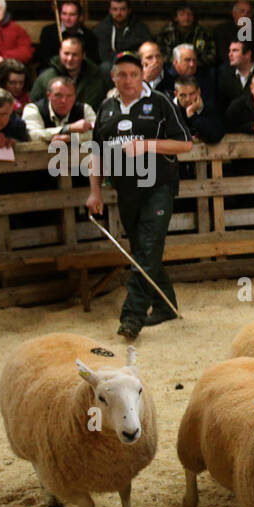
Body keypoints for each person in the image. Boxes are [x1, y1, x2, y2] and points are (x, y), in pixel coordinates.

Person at [87, 51, 193, 340]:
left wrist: (147, 145)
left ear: (142, 75)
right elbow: (96, 153)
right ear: (114, 77)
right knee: (143, 249)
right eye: (122, 74)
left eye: (134, 74)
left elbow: (185, 145)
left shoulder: (160, 102)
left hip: (159, 186)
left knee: (147, 247)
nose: (129, 80)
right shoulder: (106, 108)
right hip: (125, 189)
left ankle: (131, 317)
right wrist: (94, 191)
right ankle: (166, 304)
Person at [31, 37, 106, 109]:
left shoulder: (94, 77)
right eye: (66, 54)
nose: (70, 59)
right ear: (60, 53)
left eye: (75, 55)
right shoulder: (45, 78)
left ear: (83, 55)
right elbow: (33, 105)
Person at [22, 76, 96, 143]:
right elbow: (32, 135)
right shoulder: (33, 109)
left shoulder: (84, 109)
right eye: (58, 95)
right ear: (49, 95)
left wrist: (72, 139)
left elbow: (97, 133)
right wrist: (67, 129)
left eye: (69, 96)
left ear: (75, 96)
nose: (64, 101)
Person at [92, 0, 151, 71]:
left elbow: (147, 49)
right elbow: (103, 55)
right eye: (115, 9)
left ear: (129, 10)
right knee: (105, 67)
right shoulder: (102, 28)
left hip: (134, 62)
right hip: (112, 65)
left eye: (123, 9)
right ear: (110, 11)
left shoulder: (140, 27)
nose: (119, 13)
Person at [38, 0, 98, 69]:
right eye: (64, 14)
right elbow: (45, 58)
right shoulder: (48, 32)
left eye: (72, 14)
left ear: (80, 17)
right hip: (54, 70)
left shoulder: (89, 36)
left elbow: (92, 61)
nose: (67, 18)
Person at [213, 0, 254, 68]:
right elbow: (222, 54)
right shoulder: (222, 30)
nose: (245, 15)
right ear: (234, 13)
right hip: (231, 65)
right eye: (242, 11)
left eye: (248, 12)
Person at [157, 3, 216, 70]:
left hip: (198, 67)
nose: (186, 18)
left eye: (189, 14)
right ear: (176, 17)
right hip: (174, 66)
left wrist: (194, 62)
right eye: (182, 14)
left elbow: (211, 55)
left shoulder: (203, 33)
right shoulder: (167, 33)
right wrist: (180, 63)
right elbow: (161, 55)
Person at [173, 75, 224, 144]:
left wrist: (192, 116)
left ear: (198, 92)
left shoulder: (208, 107)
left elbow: (216, 136)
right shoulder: (167, 109)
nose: (188, 99)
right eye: (183, 95)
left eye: (191, 94)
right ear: (176, 94)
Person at [216, 40, 254, 112]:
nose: (230, 54)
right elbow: (221, 106)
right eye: (230, 51)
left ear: (248, 54)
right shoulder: (224, 74)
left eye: (235, 51)